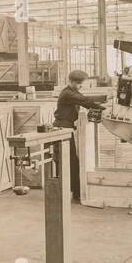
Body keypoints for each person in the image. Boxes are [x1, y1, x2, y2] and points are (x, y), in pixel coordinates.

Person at [53, 69, 104, 202]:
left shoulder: (73, 92)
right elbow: (85, 101)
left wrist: (104, 100)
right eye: (79, 83)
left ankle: (74, 192)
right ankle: (67, 192)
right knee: (65, 160)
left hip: (66, 127)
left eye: (82, 83)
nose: (81, 86)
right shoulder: (68, 94)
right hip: (61, 128)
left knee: (70, 160)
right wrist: (105, 108)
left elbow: (85, 100)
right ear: (71, 81)